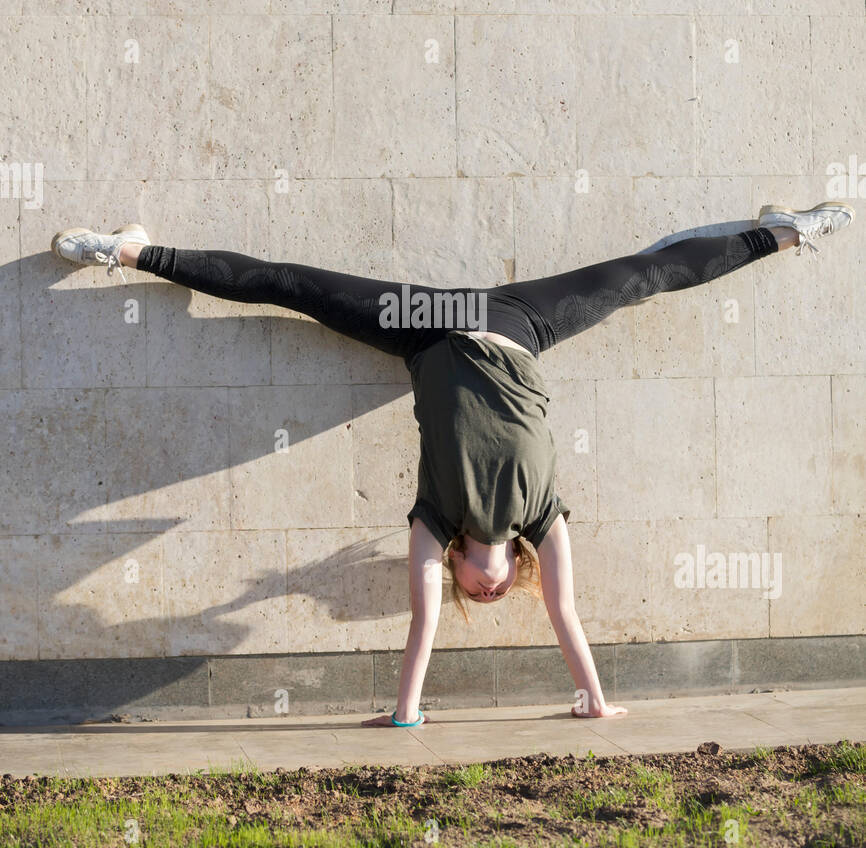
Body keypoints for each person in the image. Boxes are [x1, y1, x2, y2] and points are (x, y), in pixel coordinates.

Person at [52, 201, 854, 728]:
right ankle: (784, 231)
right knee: (646, 276)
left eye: (480, 594)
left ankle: (131, 249)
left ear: (464, 576)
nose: (491, 590)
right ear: (513, 568)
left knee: (287, 284)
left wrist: (405, 717)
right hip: (518, 323)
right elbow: (566, 617)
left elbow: (422, 624)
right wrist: (595, 702)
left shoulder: (437, 519)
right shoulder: (545, 517)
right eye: (500, 589)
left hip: (427, 327)